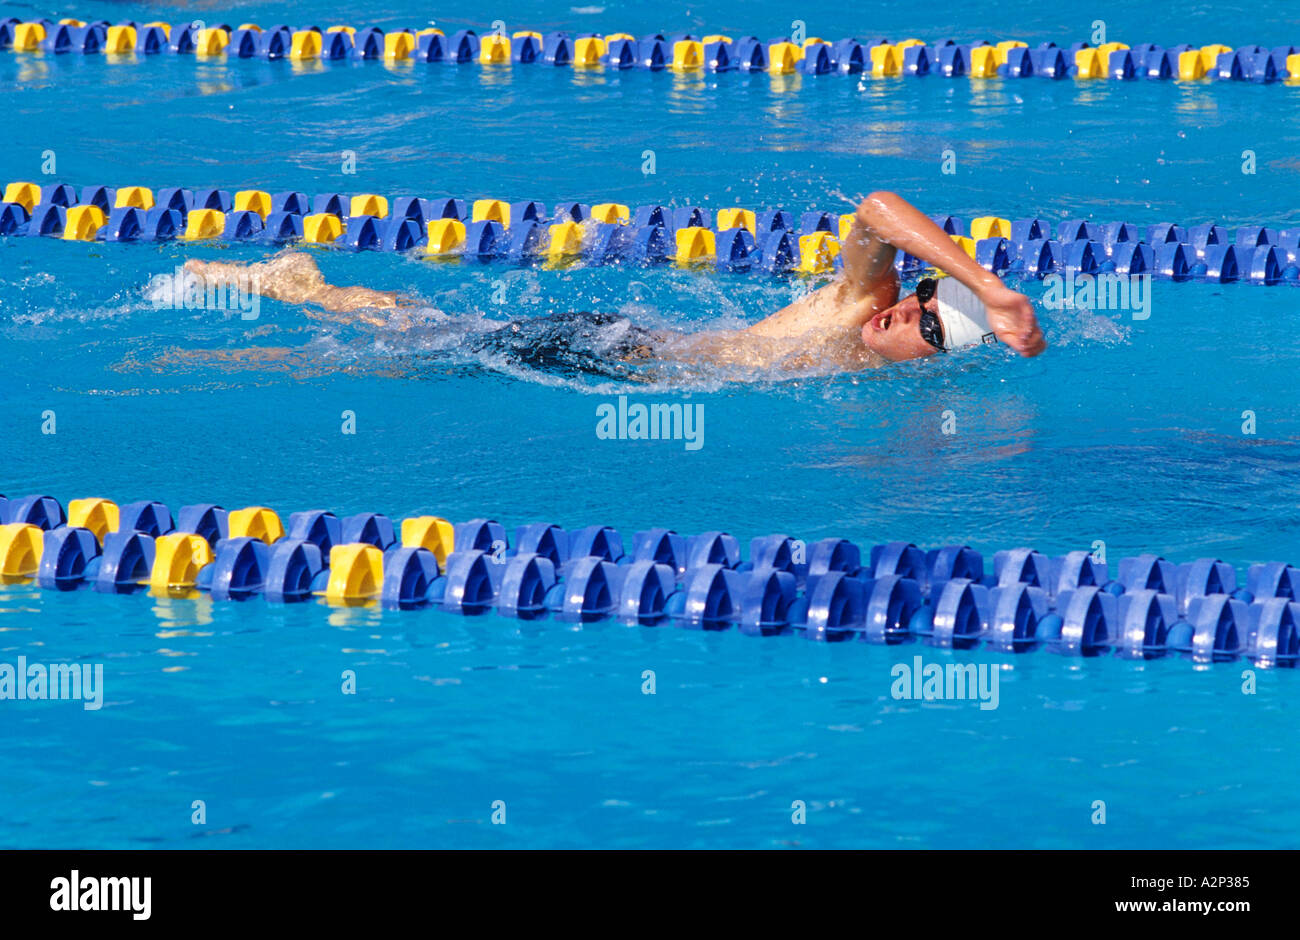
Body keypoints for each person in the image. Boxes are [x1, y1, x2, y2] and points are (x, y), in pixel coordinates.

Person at [181, 189, 1045, 378]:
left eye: (929, 331)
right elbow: (875, 207)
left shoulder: (884, 381)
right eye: (924, 300)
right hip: (610, 350)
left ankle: (302, 285)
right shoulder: (860, 302)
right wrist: (988, 287)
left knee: (427, 334)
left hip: (613, 363)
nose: (906, 317)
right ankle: (237, 340)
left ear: (935, 357)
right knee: (398, 358)